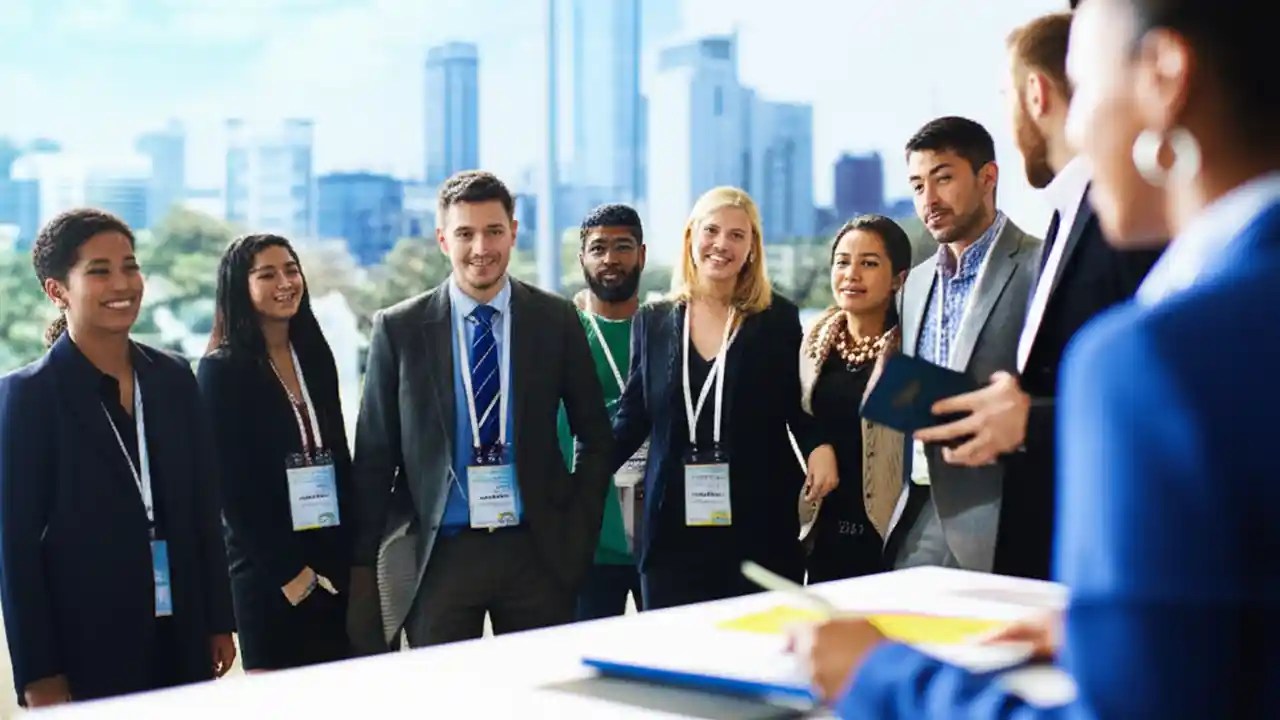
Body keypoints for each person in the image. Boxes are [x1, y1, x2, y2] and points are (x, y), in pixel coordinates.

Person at [801, 0, 1280, 715]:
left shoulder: (1158, 362)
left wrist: (879, 678)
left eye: (1085, 88)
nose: (1077, 129)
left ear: (1163, 76)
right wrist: (1123, 631)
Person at [913, 11, 1161, 580]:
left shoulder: (1125, 221)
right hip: (1045, 560)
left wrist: (1029, 419)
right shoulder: (1066, 220)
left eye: (1005, 95)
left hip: (1116, 556)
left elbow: (1167, 393)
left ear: (1035, 93)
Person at [347, 170, 614, 650]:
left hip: (537, 550)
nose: (481, 248)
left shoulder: (555, 320)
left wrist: (576, 531)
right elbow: (373, 457)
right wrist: (364, 565)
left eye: (493, 231)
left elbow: (594, 435)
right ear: (441, 240)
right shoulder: (400, 329)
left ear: (513, 231)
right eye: (465, 233)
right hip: (439, 556)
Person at [0, 209, 236, 707]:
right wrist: (38, 672)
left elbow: (201, 510)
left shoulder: (172, 378)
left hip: (182, 633)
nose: (122, 283)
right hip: (85, 644)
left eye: (130, 266)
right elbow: (15, 549)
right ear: (56, 290)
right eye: (99, 270)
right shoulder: (27, 396)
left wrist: (218, 619)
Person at [611, 186, 817, 609]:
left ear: (752, 249)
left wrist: (820, 449)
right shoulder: (653, 321)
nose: (722, 244)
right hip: (672, 533)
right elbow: (633, 417)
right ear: (691, 237)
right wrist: (574, 470)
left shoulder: (777, 319)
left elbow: (797, 406)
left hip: (760, 527)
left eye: (737, 235)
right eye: (712, 231)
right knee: (678, 663)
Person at [890, 117, 1042, 573]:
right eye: (917, 186)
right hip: (926, 512)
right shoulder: (913, 285)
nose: (929, 200)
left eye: (943, 179)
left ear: (987, 177)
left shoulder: (1041, 264)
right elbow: (923, 398)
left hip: (1014, 521)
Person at [196, 234, 353, 671]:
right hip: (269, 575)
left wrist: (348, 559)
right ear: (239, 287)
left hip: (331, 563)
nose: (285, 282)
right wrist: (292, 576)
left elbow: (337, 451)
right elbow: (232, 492)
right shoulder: (220, 370)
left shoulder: (315, 354)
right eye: (267, 274)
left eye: (291, 269)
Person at [798, 215, 914, 582]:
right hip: (821, 534)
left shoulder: (913, 346)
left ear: (899, 278)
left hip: (891, 538)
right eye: (843, 261)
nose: (851, 274)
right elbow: (794, 416)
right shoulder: (812, 340)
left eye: (869, 263)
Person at [557, 204, 647, 620]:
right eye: (598, 248)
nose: (610, 259)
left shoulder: (666, 328)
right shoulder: (560, 334)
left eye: (622, 247)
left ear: (641, 255)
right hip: (586, 542)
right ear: (582, 260)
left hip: (658, 541)